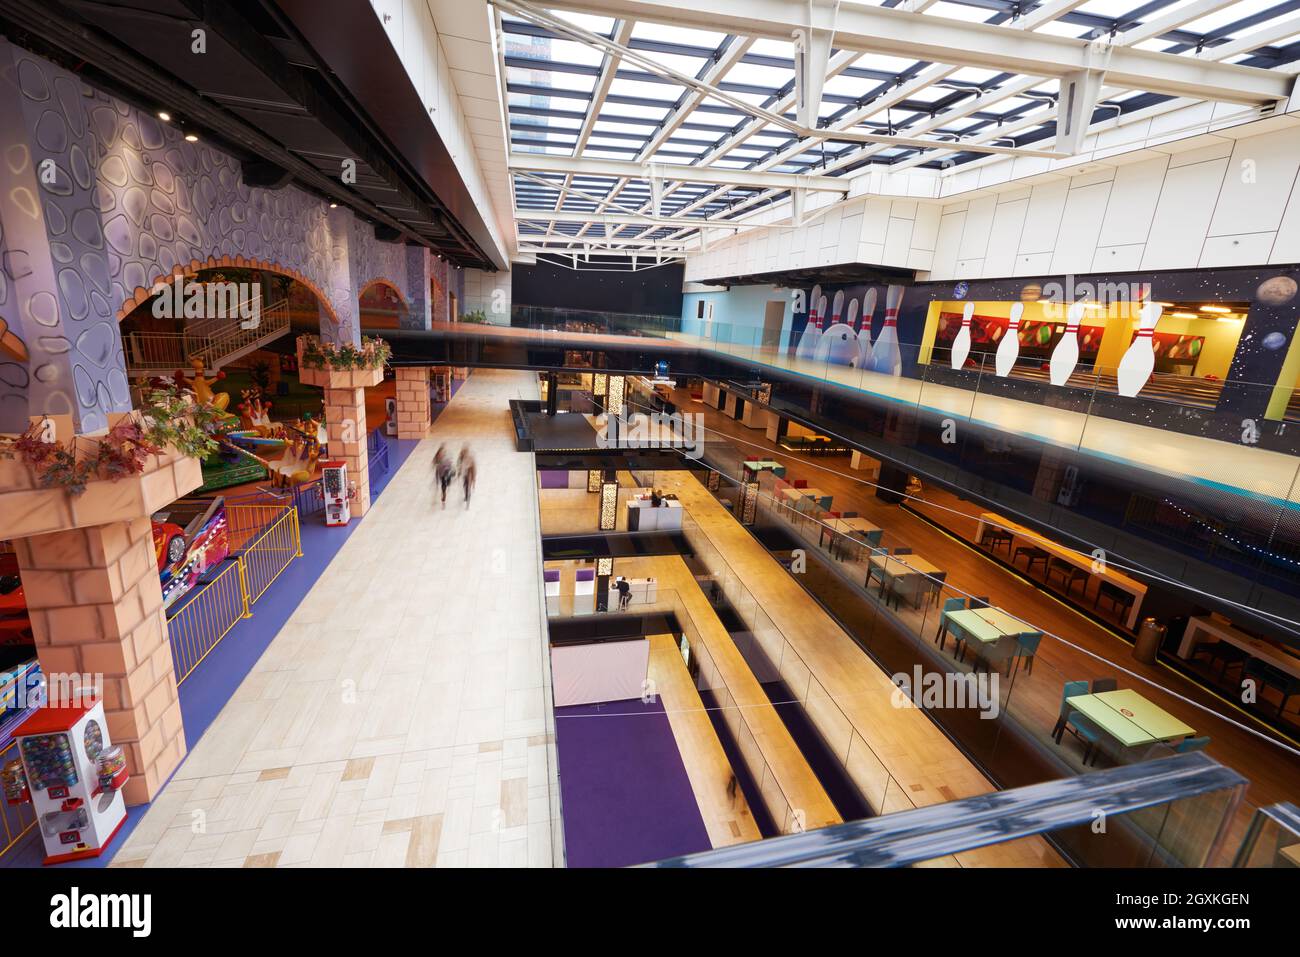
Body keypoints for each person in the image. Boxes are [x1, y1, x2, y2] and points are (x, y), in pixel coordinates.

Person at [433, 444, 454, 509]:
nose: (442, 454)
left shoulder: (447, 457)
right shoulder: (437, 458)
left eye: (443, 452)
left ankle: (448, 481)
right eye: (440, 453)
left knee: (449, 480)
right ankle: (443, 500)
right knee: (443, 487)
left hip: (447, 472)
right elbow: (434, 462)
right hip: (442, 474)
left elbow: (450, 463)